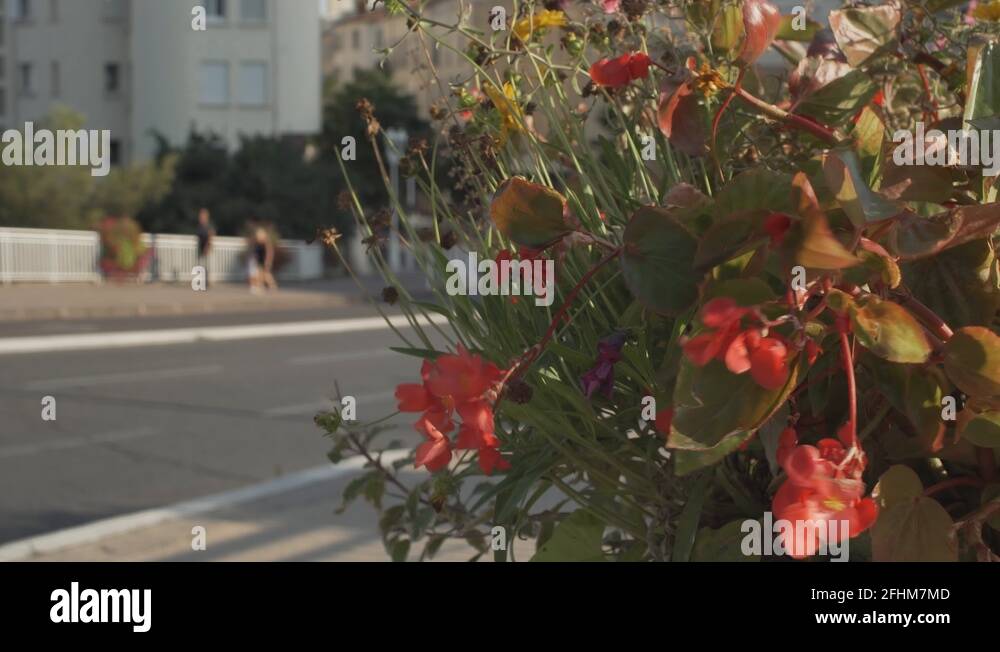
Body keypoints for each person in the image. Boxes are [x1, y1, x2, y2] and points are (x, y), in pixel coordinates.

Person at [248, 225, 278, 293]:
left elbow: (269, 252)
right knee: (260, 274)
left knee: (267, 274)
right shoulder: (257, 243)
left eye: (259, 234)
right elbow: (255, 252)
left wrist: (268, 261)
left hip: (265, 260)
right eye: (258, 235)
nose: (258, 236)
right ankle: (260, 286)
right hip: (259, 260)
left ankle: (273, 286)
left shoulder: (266, 243)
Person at [196, 208, 215, 287]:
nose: (200, 217)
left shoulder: (208, 226)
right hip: (200, 248)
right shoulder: (200, 226)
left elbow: (211, 236)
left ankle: (206, 283)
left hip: (206, 248)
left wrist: (207, 247)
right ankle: (201, 282)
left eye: (202, 216)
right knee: (201, 265)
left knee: (206, 266)